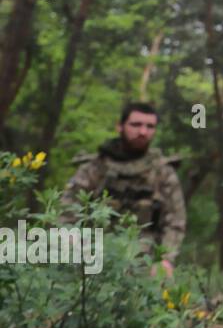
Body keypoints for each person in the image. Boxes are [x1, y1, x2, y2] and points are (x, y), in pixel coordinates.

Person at [64, 102, 186, 274]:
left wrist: (164, 259)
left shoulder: (163, 173)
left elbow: (175, 222)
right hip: (95, 257)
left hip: (143, 261)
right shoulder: (95, 169)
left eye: (150, 126)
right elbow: (66, 214)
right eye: (136, 125)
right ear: (120, 127)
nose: (143, 132)